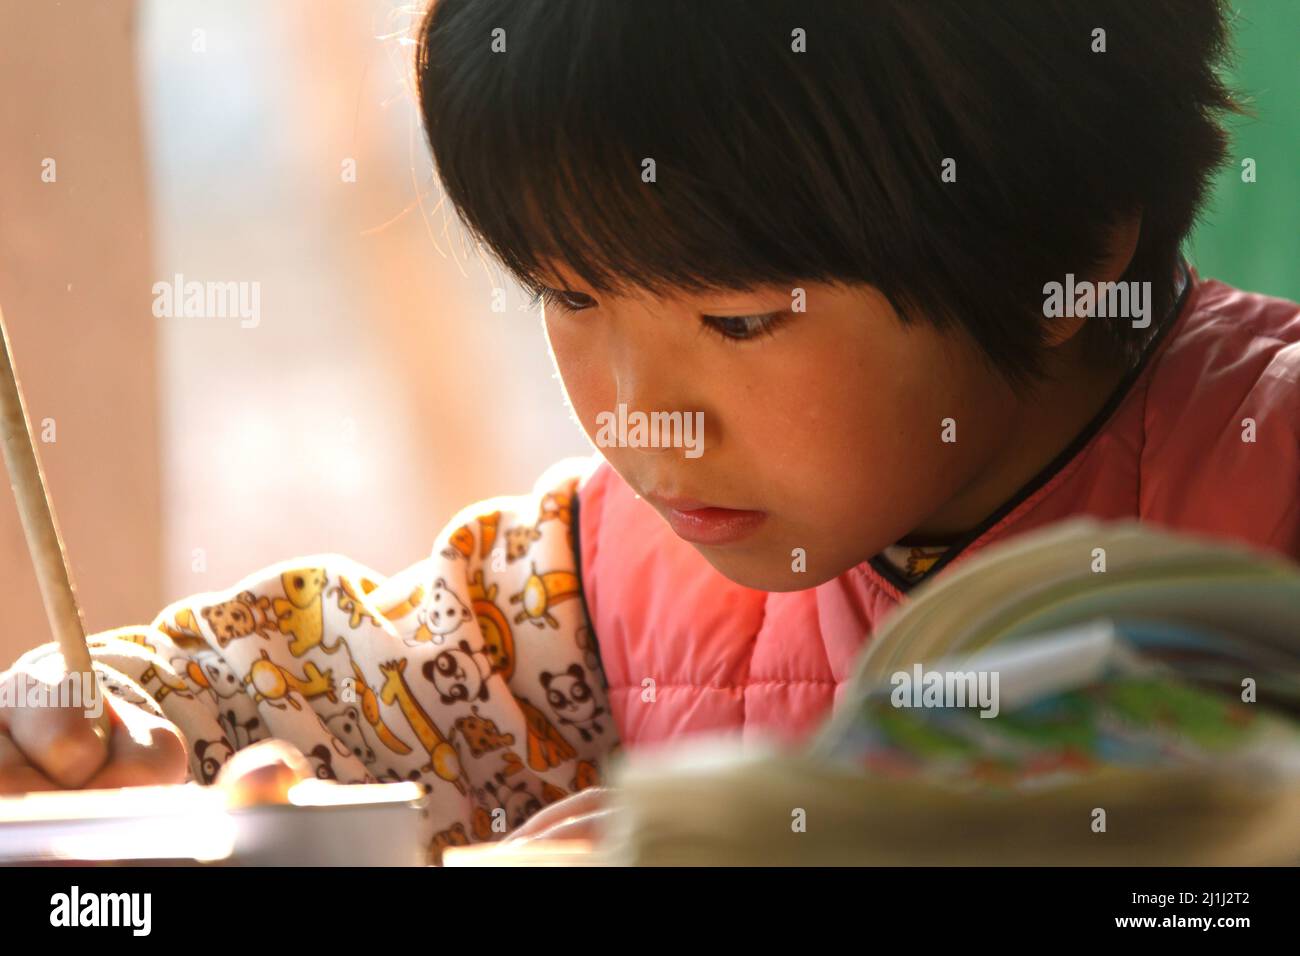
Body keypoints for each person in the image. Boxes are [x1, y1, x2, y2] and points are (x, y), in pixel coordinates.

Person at [2, 0, 1296, 863]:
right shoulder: (592, 592)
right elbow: (359, 685)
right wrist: (112, 732)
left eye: (737, 321)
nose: (635, 412)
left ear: (1069, 256)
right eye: (570, 296)